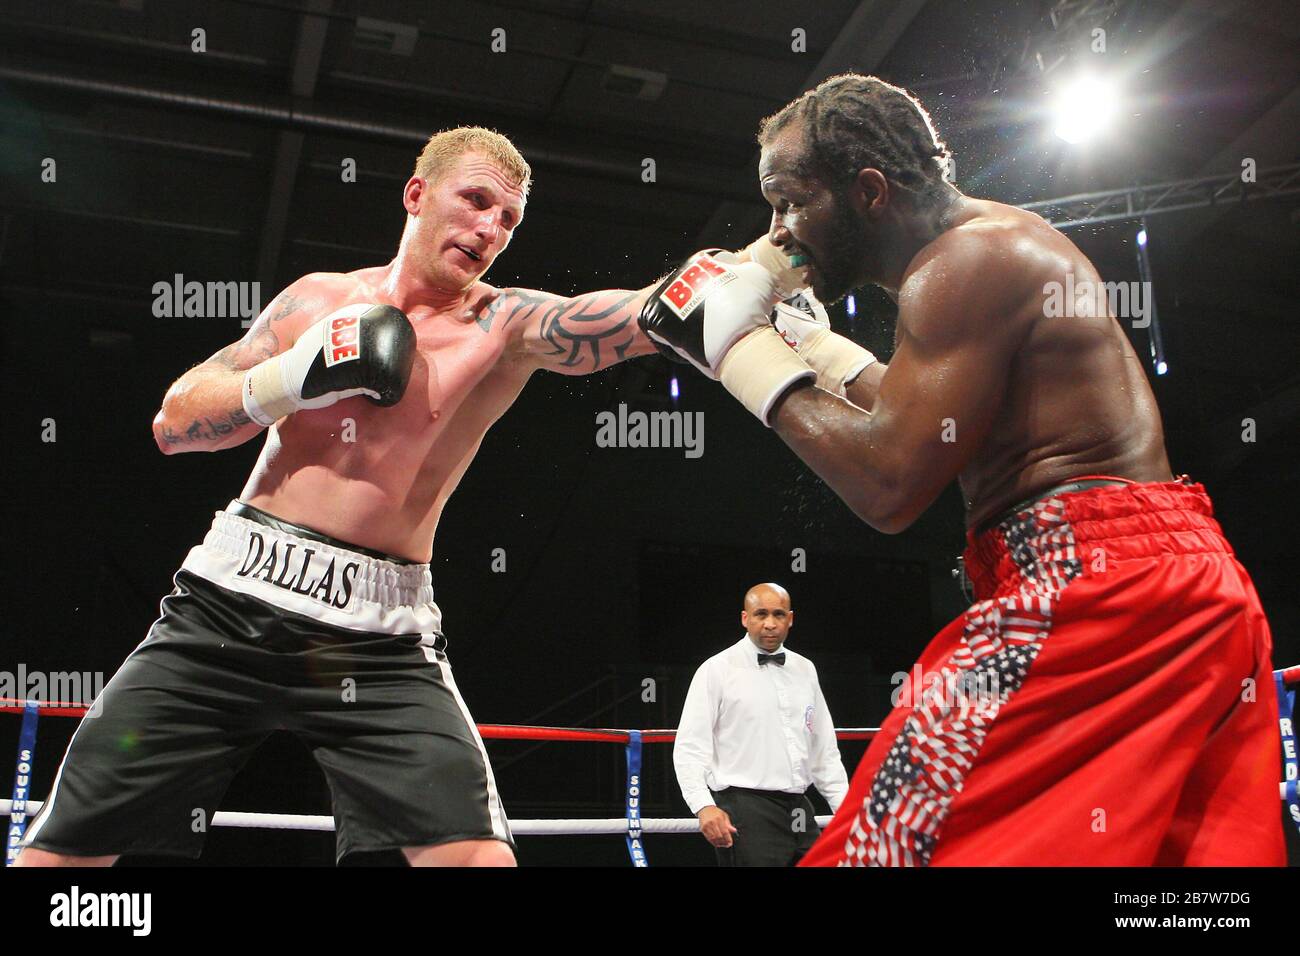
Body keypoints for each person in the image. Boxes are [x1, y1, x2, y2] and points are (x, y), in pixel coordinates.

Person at [640, 75, 1285, 866]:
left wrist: (735, 349)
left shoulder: (964, 262)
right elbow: (933, 429)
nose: (777, 230)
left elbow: (891, 482)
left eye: (790, 201)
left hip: (1098, 585)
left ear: (867, 192)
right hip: (1175, 586)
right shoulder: (991, 249)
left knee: (884, 849)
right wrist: (811, 348)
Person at [16, 126, 684, 868]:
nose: (491, 229)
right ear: (417, 194)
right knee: (61, 854)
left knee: (476, 861)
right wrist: (289, 378)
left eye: (509, 220)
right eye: (476, 201)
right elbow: (175, 423)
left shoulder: (500, 324)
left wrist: (741, 280)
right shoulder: (316, 301)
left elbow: (627, 319)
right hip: (225, 607)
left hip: (378, 637)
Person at [673, 583, 848, 866]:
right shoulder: (717, 669)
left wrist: (846, 810)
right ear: (745, 618)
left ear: (790, 619)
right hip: (745, 809)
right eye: (760, 614)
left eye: (778, 615)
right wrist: (703, 806)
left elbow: (823, 749)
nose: (770, 624)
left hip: (799, 807)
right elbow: (690, 747)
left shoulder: (805, 669)